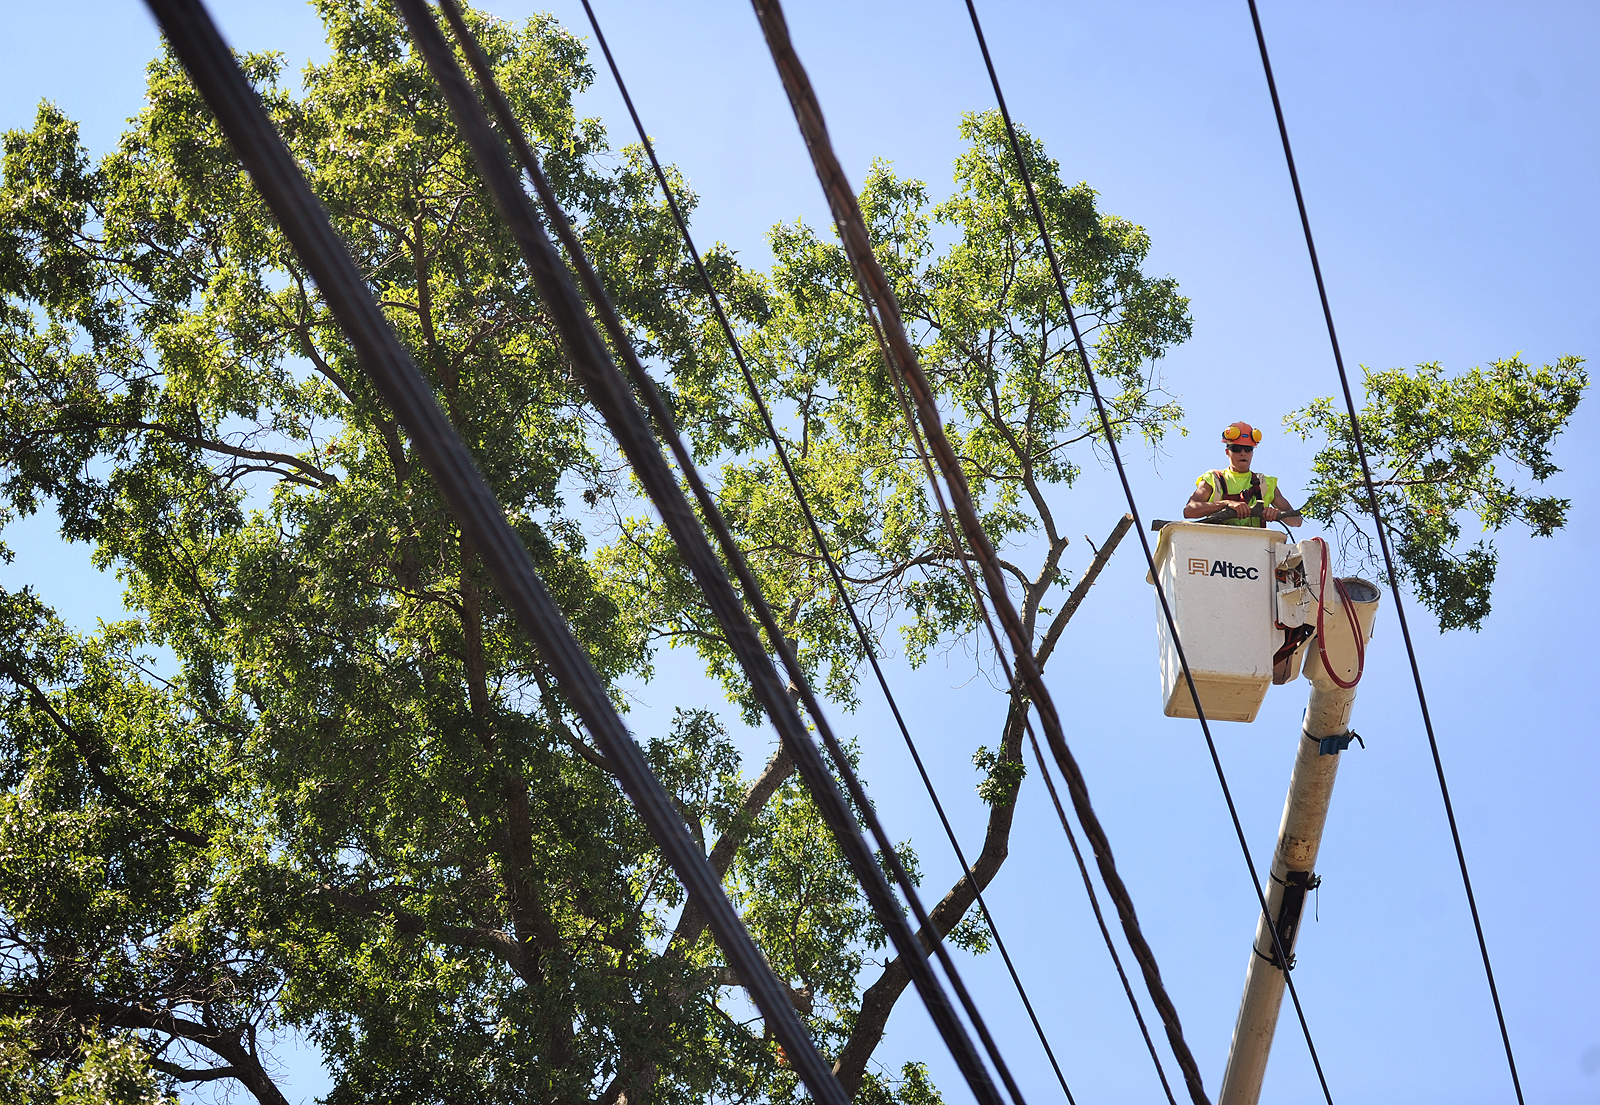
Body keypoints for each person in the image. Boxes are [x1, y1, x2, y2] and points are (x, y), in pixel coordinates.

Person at [1182, 421, 1302, 527]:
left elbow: (1296, 520)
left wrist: (1276, 514)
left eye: (1248, 449)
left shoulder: (1266, 483)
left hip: (1254, 542)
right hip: (1217, 541)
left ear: (1252, 453)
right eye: (1237, 449)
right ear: (1227, 452)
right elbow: (1189, 511)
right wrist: (1226, 504)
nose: (1243, 453)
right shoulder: (1213, 478)